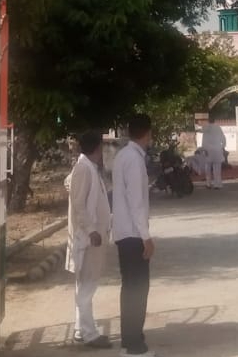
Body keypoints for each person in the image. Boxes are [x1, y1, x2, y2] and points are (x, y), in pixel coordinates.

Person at [113, 114, 156, 357]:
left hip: (125, 232)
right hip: (132, 234)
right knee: (137, 287)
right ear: (147, 133)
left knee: (130, 287)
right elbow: (136, 201)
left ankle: (131, 338)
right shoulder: (134, 160)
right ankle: (133, 346)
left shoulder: (123, 156)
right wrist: (146, 236)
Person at [66, 130, 113, 349]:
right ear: (97, 148)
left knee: (85, 286)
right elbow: (79, 204)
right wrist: (92, 230)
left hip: (93, 236)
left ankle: (80, 329)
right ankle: (89, 334)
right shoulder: (83, 169)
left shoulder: (88, 168)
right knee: (87, 287)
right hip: (89, 238)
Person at [200, 114, 226, 190]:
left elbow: (203, 140)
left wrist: (204, 149)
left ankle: (208, 184)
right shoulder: (218, 128)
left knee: (208, 168)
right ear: (214, 120)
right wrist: (223, 147)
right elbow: (223, 138)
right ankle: (217, 184)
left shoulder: (205, 128)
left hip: (208, 150)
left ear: (208, 120)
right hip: (217, 150)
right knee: (217, 168)